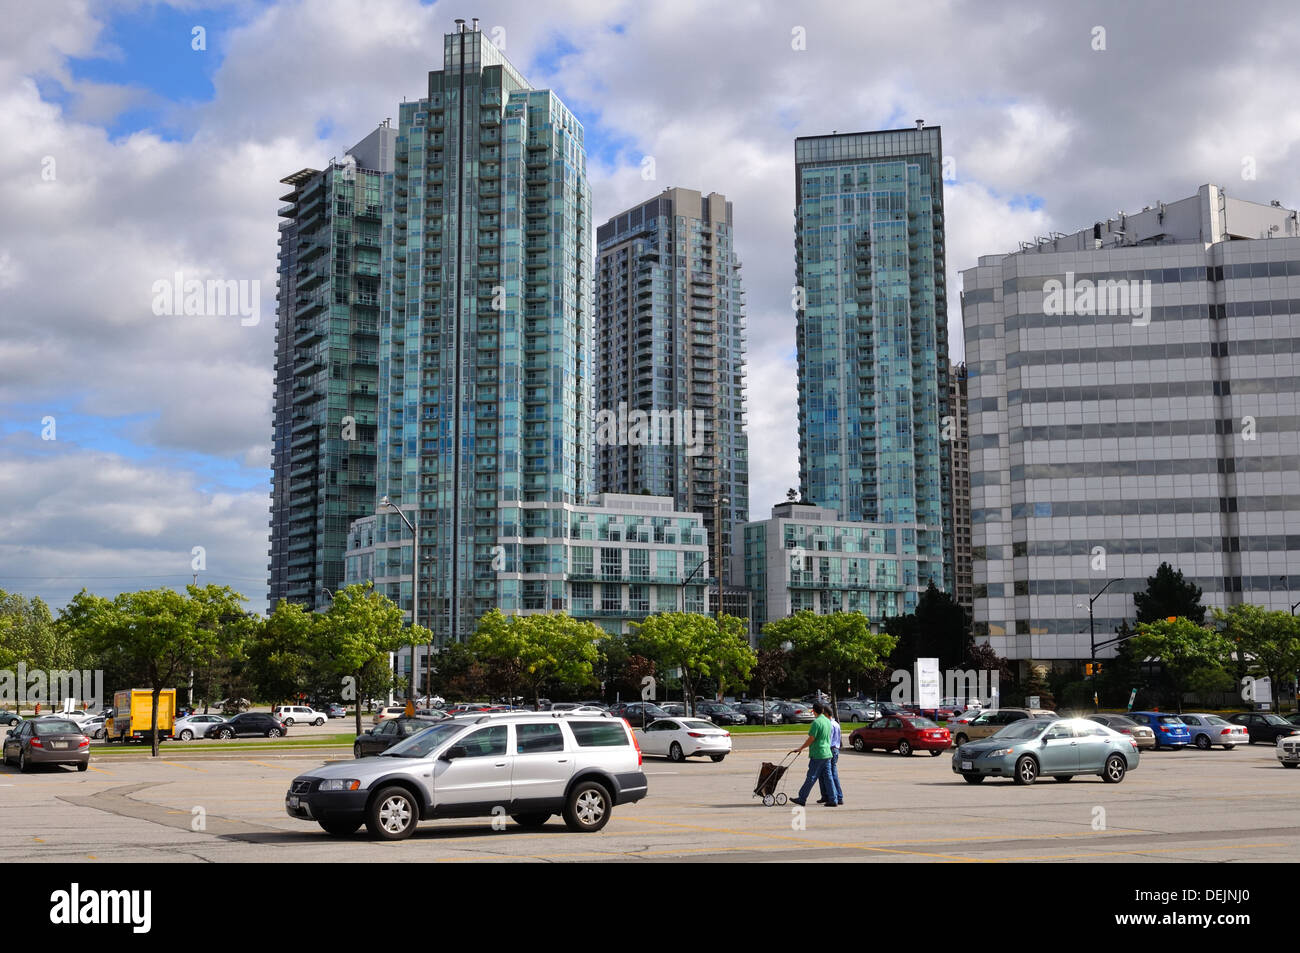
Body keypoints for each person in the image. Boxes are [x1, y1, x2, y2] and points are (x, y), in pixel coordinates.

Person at [788, 702, 835, 807]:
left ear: (813, 711)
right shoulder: (828, 721)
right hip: (827, 753)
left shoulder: (816, 723)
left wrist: (801, 748)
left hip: (818, 754)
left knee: (811, 777)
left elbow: (811, 738)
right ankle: (833, 799)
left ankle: (802, 798)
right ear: (822, 710)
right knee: (828, 777)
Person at [819, 704, 844, 806]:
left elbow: (827, 739)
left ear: (826, 714)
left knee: (830, 774)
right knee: (827, 774)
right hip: (835, 749)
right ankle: (828, 795)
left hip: (830, 750)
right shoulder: (836, 723)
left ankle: (837, 796)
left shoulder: (829, 725)